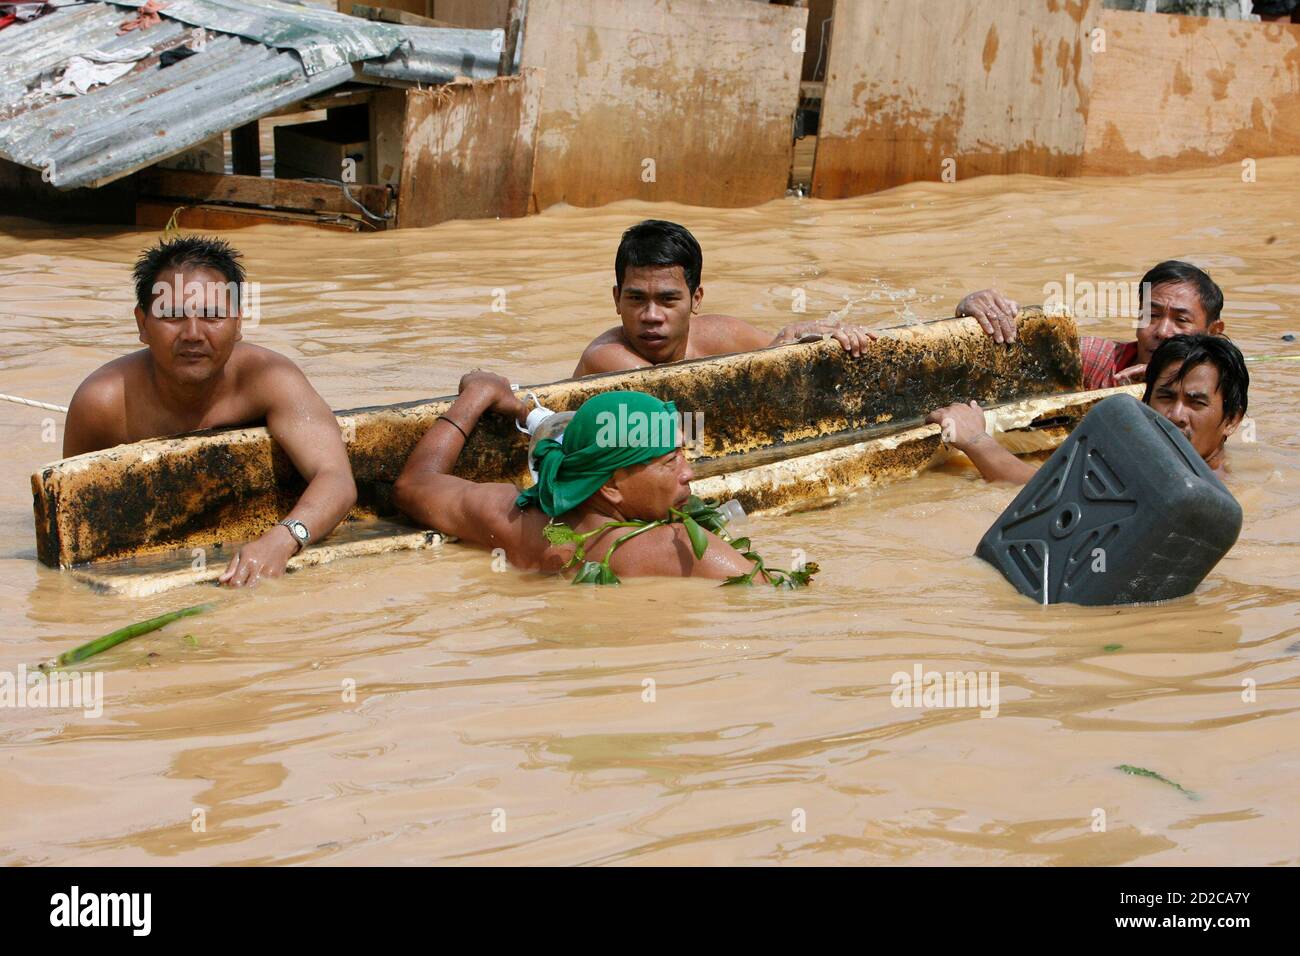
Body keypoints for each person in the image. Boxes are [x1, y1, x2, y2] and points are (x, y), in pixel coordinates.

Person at [62, 236, 356, 587]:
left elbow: (336, 480)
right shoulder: (102, 404)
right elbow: (73, 522)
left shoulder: (270, 379)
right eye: (171, 316)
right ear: (142, 324)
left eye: (212, 315)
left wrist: (282, 540)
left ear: (238, 323)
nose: (192, 334)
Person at [393, 371, 759, 581]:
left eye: (683, 455)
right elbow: (769, 597)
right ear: (611, 487)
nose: (688, 473)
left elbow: (413, 485)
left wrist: (479, 392)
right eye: (669, 462)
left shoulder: (513, 517)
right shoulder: (679, 548)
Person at [927, 333, 1248, 485]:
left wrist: (975, 440)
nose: (1176, 414)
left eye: (1196, 402)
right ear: (1145, 401)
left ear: (1232, 420)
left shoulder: (1191, 484)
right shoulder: (1160, 462)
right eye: (1165, 397)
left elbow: (1044, 489)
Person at [572, 220, 877, 376]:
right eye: (636, 299)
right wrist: (775, 356)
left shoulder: (722, 334)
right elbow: (673, 412)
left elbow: (782, 348)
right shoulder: (605, 356)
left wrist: (803, 339)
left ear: (696, 299)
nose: (651, 315)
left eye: (668, 300)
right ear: (616, 299)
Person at [955, 260, 1225, 389]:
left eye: (1181, 320)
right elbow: (999, 371)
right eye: (1151, 315)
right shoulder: (1094, 360)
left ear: (1213, 333)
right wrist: (973, 317)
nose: (1163, 331)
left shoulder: (1216, 392)